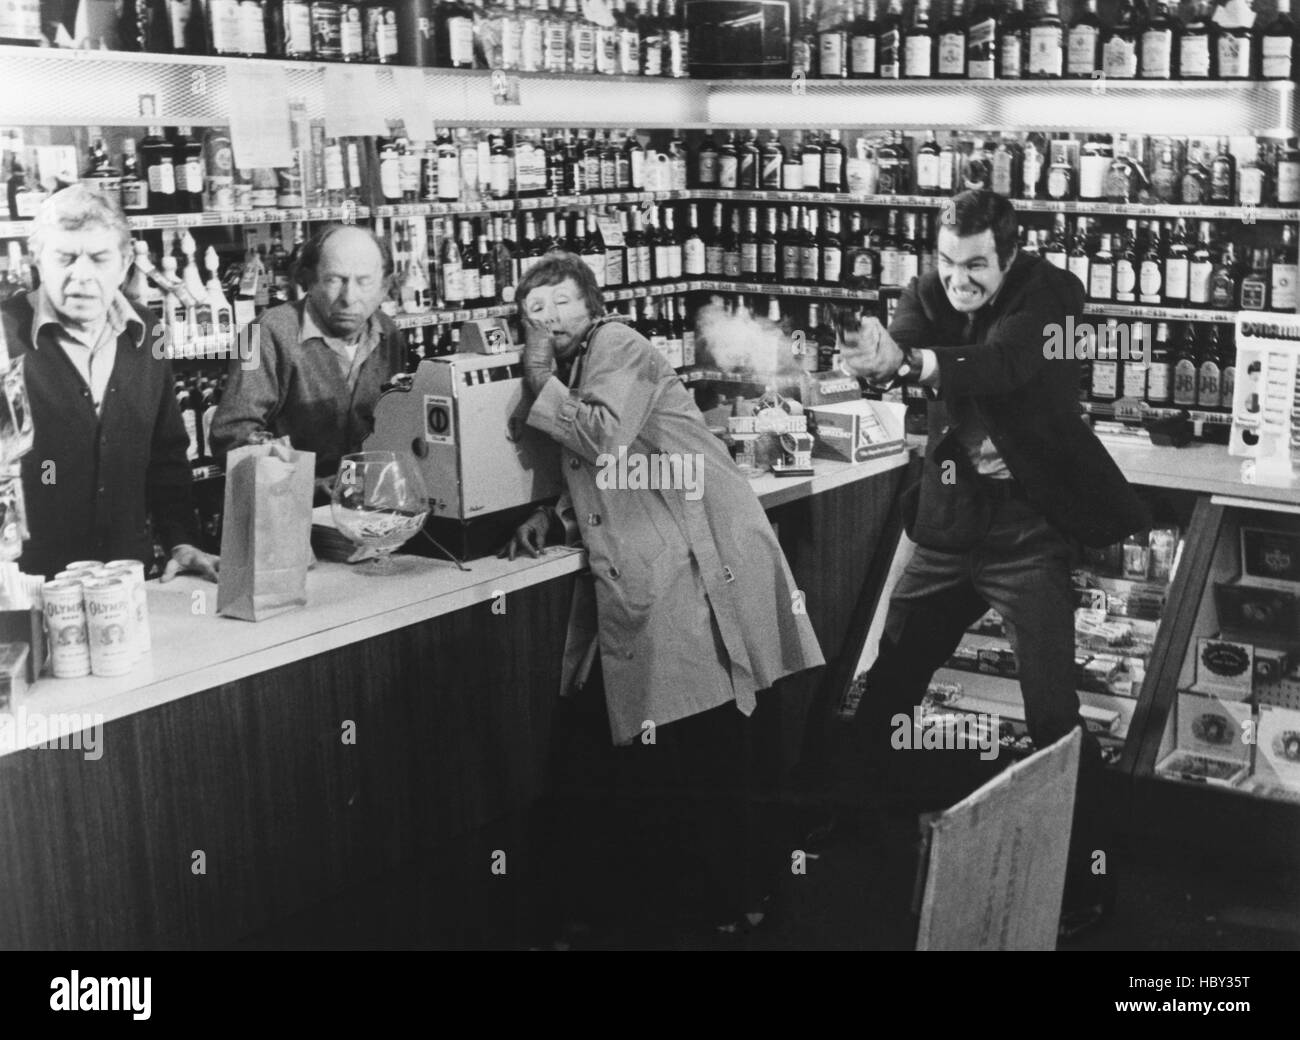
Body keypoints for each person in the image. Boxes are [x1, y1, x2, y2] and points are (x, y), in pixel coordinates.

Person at [835, 190, 1149, 937]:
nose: (957, 279)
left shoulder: (1054, 295)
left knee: (1053, 719)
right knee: (889, 684)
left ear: (1009, 257)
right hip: (949, 520)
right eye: (946, 261)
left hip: (1027, 532)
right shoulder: (926, 288)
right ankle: (863, 822)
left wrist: (912, 359)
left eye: (975, 265)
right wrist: (882, 364)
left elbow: (1004, 366)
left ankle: (1090, 882)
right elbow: (901, 352)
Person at [502, 252, 824, 942]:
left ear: (592, 305)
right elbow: (606, 472)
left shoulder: (617, 344)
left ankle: (733, 900)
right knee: (687, 734)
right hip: (675, 552)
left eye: (560, 303)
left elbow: (600, 435)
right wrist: (550, 515)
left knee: (703, 734)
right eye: (534, 308)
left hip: (701, 554)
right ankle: (722, 898)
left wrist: (534, 370)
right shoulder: (586, 363)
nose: (548, 319)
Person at [1, 185, 218, 581]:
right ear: (38, 260)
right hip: (29, 585)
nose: (80, 276)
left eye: (98, 259)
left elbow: (166, 452)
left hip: (130, 577)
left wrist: (180, 540)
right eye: (64, 258)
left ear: (123, 264)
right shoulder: (5, 334)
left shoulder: (147, 332)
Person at [209, 224, 405, 494]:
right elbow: (231, 437)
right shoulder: (266, 333)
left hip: (369, 508)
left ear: (384, 286)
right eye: (335, 279)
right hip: (290, 515)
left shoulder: (388, 334)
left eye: (364, 281)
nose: (349, 298)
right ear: (308, 281)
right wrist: (306, 485)